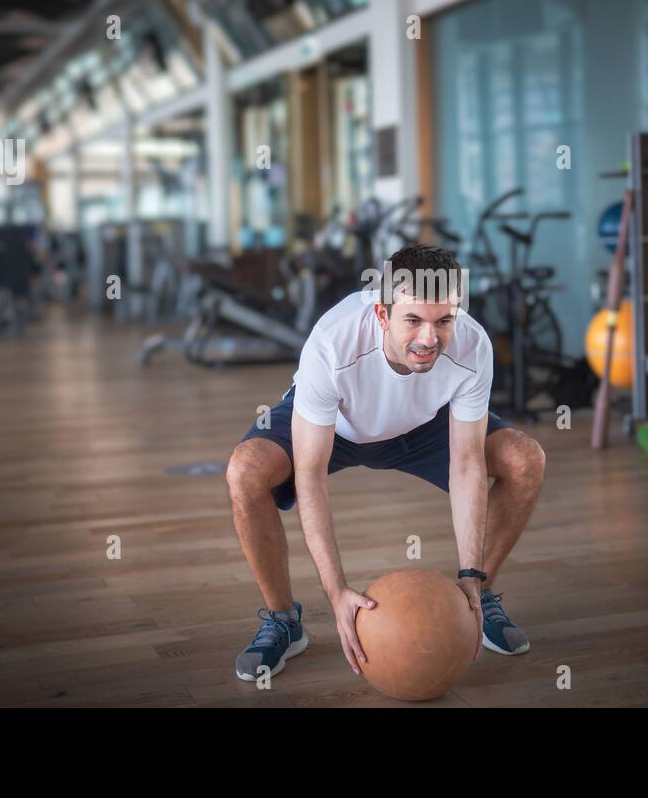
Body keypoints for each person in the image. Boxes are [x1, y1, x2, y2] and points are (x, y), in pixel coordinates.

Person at [227, 244, 546, 683]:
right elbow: (310, 475)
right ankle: (283, 621)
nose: (429, 339)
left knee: (525, 459)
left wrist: (470, 571)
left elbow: (468, 463)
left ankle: (478, 597)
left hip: (422, 424)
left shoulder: (473, 346)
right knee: (245, 470)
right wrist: (336, 591)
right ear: (382, 314)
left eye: (444, 321)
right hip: (336, 426)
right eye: (413, 320)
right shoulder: (333, 344)